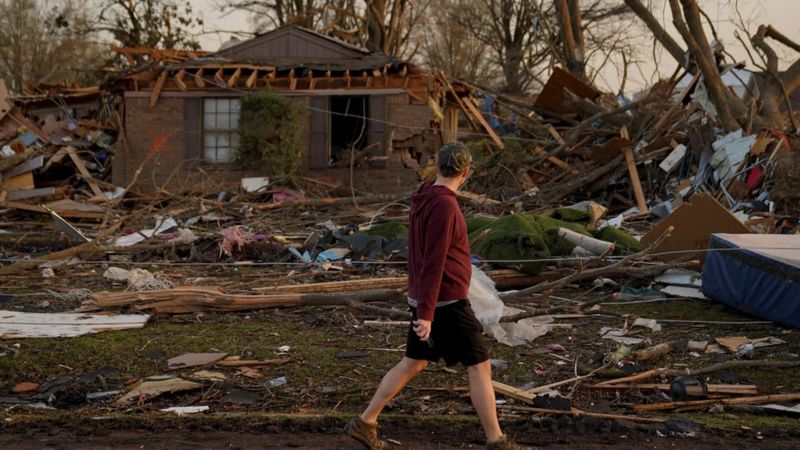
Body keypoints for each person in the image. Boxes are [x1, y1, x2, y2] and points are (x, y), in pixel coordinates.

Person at [346, 142, 518, 450]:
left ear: (438, 167)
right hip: (445, 302)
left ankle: (365, 423)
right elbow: (434, 260)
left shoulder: (425, 195)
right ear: (465, 172)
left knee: (414, 362)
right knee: (479, 365)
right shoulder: (445, 206)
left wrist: (422, 305)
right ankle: (497, 441)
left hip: (429, 297)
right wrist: (426, 313)